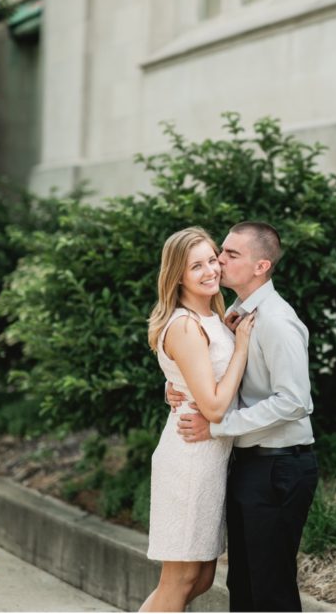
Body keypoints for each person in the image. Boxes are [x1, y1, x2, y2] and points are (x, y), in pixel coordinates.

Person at [170, 221, 318, 611]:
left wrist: (219, 426)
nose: (219, 260)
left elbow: (294, 401)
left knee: (271, 591)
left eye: (231, 254)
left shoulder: (276, 320)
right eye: (222, 250)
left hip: (280, 468)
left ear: (261, 266)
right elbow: (209, 369)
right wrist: (176, 389)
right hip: (249, 465)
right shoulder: (234, 314)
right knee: (245, 587)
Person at [141, 227, 256, 612]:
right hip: (190, 459)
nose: (210, 270)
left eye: (212, 259)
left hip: (209, 460)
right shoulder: (186, 323)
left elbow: (189, 376)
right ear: (177, 275)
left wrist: (171, 386)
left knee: (202, 577)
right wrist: (241, 347)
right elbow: (214, 408)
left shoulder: (211, 315)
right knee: (181, 579)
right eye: (196, 266)